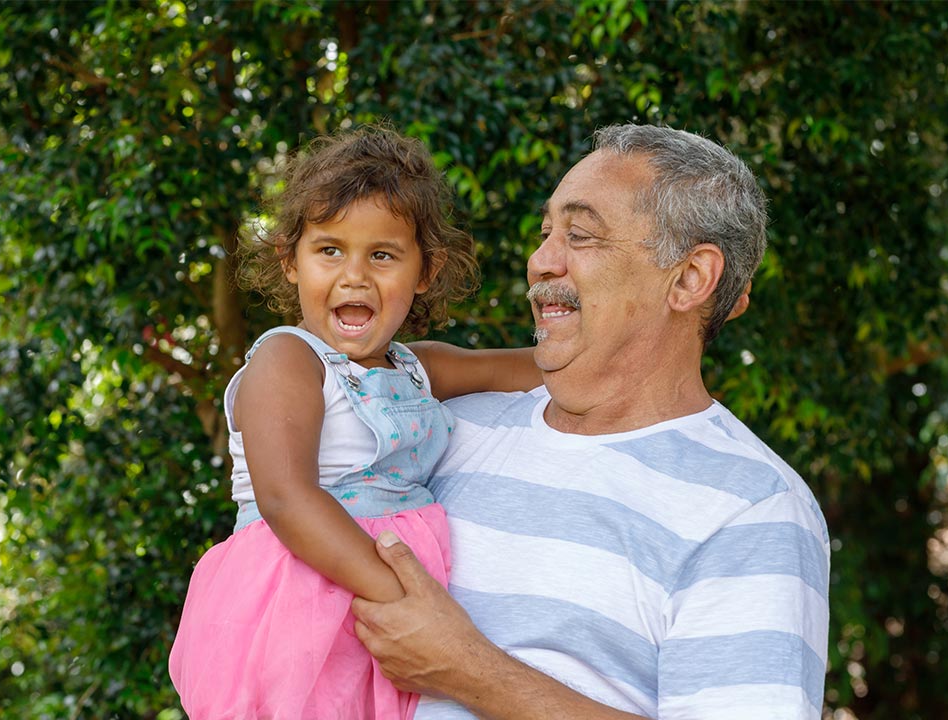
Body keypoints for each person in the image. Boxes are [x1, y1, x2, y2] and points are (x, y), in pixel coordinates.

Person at [351, 124, 831, 720]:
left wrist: (470, 670)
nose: (539, 262)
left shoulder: (753, 506)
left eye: (579, 235)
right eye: (545, 233)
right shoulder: (441, 431)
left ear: (689, 278)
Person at [168, 125, 541, 720]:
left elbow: (533, 367)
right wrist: (402, 598)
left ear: (426, 271)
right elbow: (287, 500)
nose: (354, 275)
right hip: (301, 602)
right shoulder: (289, 360)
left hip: (384, 613)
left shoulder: (418, 368)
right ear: (290, 261)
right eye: (330, 250)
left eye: (383, 255)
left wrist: (613, 347)